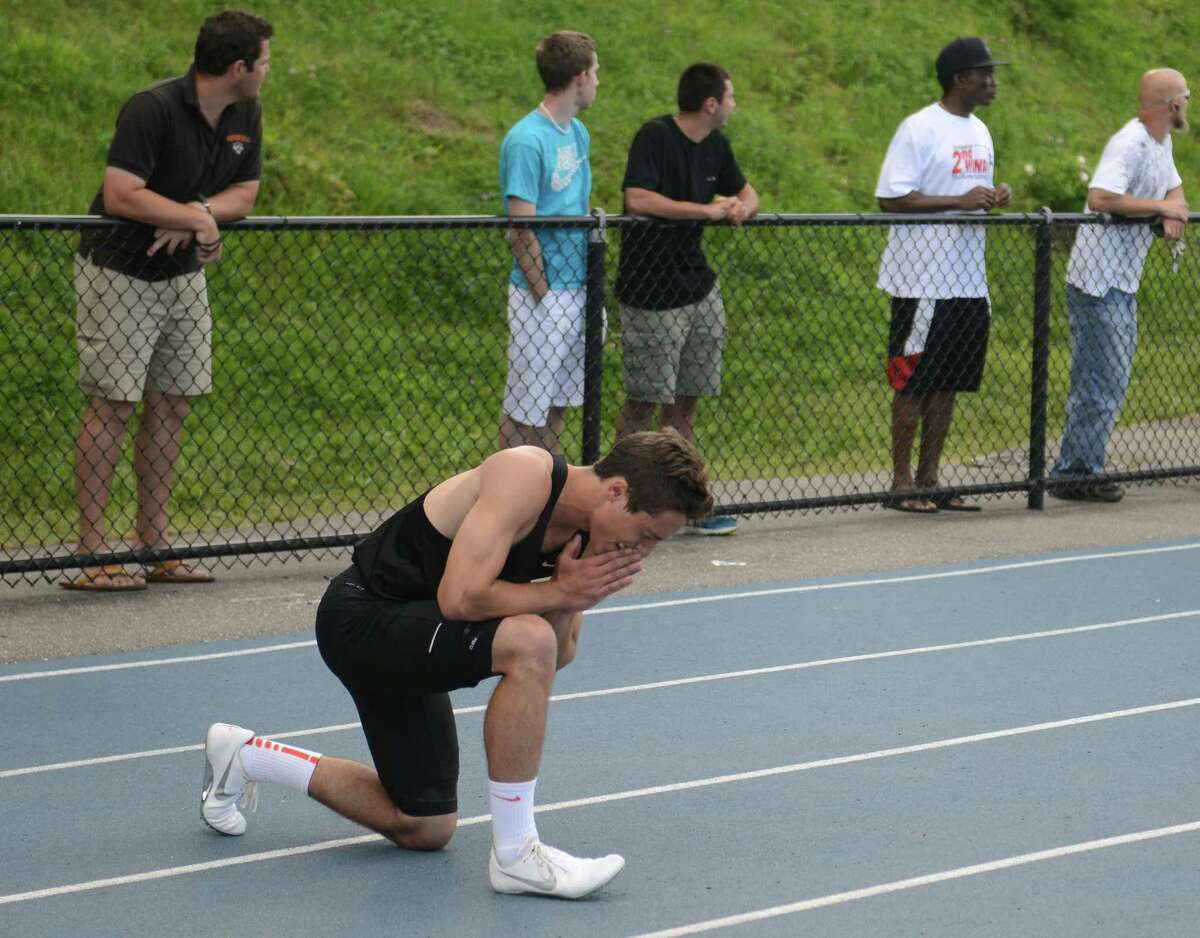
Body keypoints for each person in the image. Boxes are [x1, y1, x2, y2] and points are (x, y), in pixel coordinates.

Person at [200, 430, 714, 899]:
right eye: (647, 534)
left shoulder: (583, 537)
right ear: (617, 491)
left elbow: (559, 654)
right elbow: (459, 598)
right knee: (528, 640)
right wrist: (560, 590)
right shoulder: (525, 475)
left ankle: (245, 757)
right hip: (362, 620)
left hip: (413, 637)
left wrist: (571, 598)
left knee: (425, 825)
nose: (642, 551)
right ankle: (516, 855)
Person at [63, 10, 273, 591]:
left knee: (172, 403)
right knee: (115, 405)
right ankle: (91, 554)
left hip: (183, 277)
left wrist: (199, 218)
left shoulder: (245, 112)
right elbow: (120, 193)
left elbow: (246, 193)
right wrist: (197, 219)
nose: (267, 72)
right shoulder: (151, 108)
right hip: (120, 270)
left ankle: (154, 545)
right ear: (237, 68)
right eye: (264, 63)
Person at [613, 63, 759, 536]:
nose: (735, 105)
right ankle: (620, 500)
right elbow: (637, 199)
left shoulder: (717, 145)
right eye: (731, 97)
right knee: (642, 402)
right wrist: (705, 210)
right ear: (710, 104)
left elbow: (747, 192)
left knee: (685, 403)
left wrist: (739, 208)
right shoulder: (655, 137)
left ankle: (683, 500)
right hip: (651, 290)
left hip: (697, 285)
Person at [875, 37, 1012, 514]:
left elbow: (968, 193)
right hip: (922, 280)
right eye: (985, 73)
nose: (993, 82)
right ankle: (901, 482)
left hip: (967, 280)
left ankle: (931, 478)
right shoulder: (919, 128)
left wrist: (993, 197)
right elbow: (891, 199)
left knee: (949, 381)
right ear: (960, 79)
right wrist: (960, 200)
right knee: (912, 381)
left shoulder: (981, 131)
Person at [1051, 69, 1190, 503]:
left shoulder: (1160, 143)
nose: (1188, 104)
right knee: (1102, 378)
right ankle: (1075, 472)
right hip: (1097, 280)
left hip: (1121, 279)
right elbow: (1101, 197)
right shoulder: (1129, 142)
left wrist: (1171, 211)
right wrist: (1161, 206)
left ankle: (1080, 466)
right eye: (1186, 98)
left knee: (1111, 376)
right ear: (1174, 106)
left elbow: (1176, 190)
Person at [497, 31, 600, 453]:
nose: (598, 82)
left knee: (557, 406)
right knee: (524, 412)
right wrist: (545, 297)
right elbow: (521, 231)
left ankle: (548, 501)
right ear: (579, 77)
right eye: (595, 73)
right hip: (542, 295)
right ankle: (506, 509)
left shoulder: (578, 134)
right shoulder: (526, 139)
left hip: (579, 289)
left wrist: (584, 292)